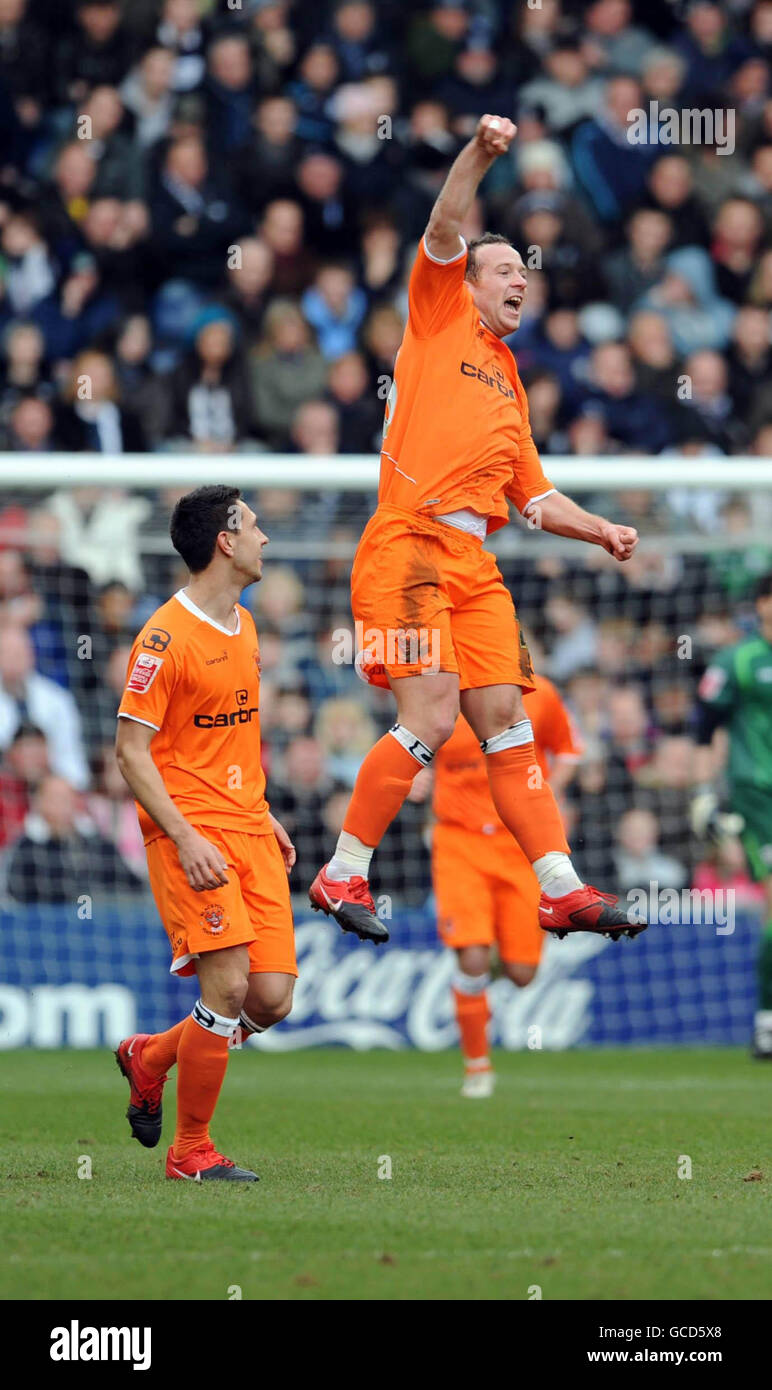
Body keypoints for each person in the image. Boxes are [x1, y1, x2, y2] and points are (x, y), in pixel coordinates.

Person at [308, 113, 639, 945]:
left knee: (507, 716)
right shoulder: (437, 314)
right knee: (431, 715)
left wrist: (599, 529)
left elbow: (535, 497)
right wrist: (481, 154)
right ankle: (344, 870)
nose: (518, 278)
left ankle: (558, 887)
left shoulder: (511, 386)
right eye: (503, 268)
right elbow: (443, 225)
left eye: (524, 270)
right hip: (410, 544)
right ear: (470, 282)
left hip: (475, 561)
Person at [114, 486, 297, 1182]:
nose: (265, 539)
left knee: (271, 999)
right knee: (226, 990)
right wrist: (186, 837)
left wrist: (264, 809)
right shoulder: (163, 638)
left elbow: (231, 740)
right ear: (225, 541)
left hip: (247, 824)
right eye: (253, 525)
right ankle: (191, 1153)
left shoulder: (244, 626)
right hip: (192, 834)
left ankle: (150, 1058)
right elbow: (131, 752)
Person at [432, 673, 582, 1098]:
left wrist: (545, 796)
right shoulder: (443, 693)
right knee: (472, 958)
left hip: (520, 844)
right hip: (459, 840)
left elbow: (569, 751)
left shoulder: (542, 693)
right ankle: (477, 1066)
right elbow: (412, 743)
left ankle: (492, 958)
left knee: (522, 973)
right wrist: (416, 775)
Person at [693, 571, 772, 1058]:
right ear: (762, 604)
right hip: (760, 794)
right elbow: (705, 729)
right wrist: (704, 793)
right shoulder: (739, 661)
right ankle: (766, 1019)